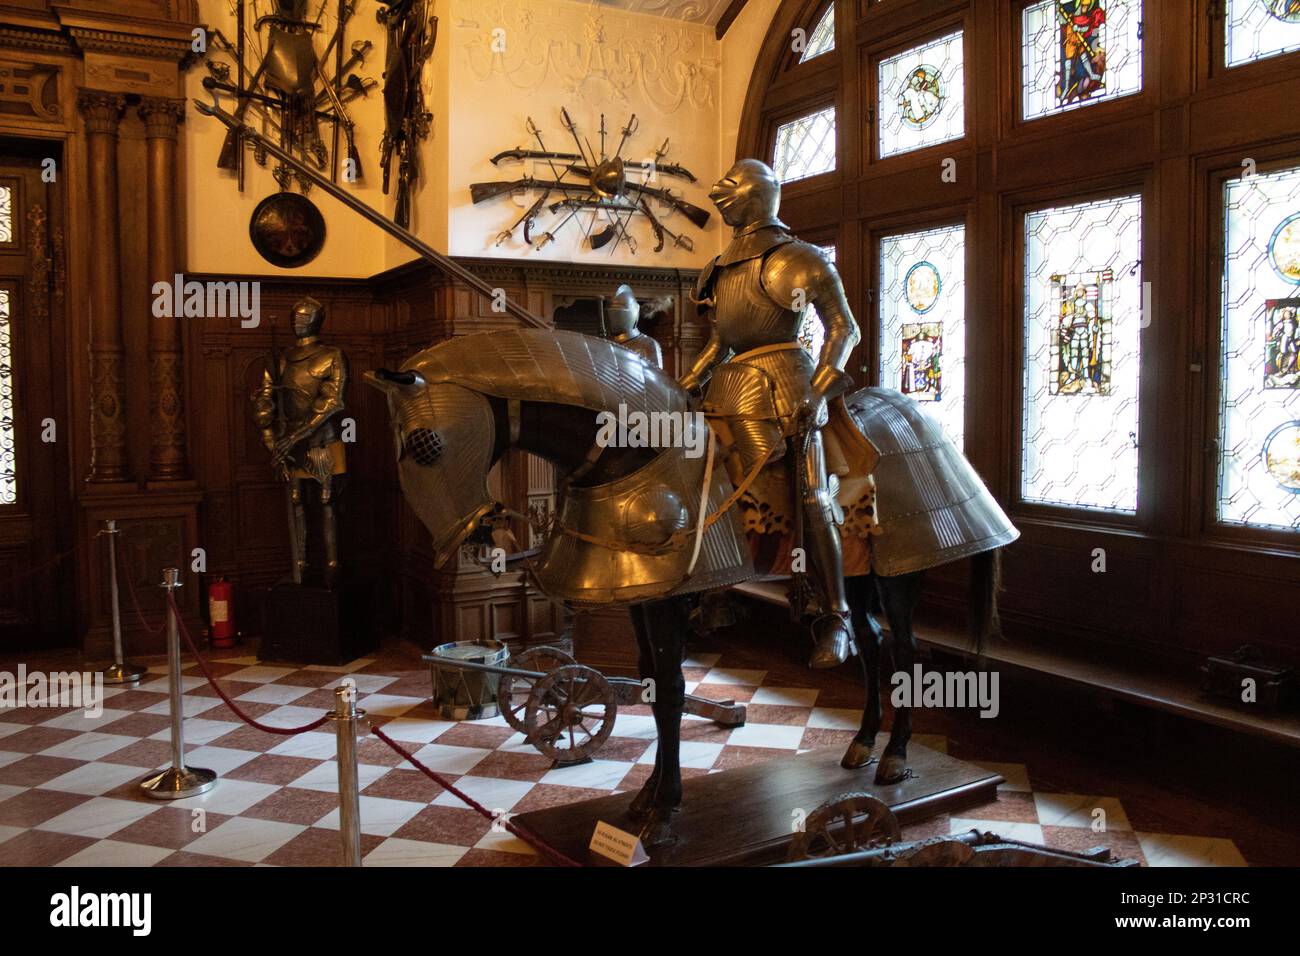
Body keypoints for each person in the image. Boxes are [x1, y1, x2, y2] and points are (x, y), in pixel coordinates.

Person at [680, 159, 861, 668]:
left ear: (755, 196)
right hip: (732, 384)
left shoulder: (797, 259)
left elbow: (843, 330)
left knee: (811, 493)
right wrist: (688, 380)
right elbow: (722, 340)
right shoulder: (722, 266)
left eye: (731, 190)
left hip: (788, 380)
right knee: (704, 477)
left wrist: (819, 391)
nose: (721, 196)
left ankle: (835, 615)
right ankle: (716, 592)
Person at [251, 296, 349, 586]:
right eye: (295, 316)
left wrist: (297, 434)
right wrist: (271, 439)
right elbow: (265, 401)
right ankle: (300, 567)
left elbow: (332, 401)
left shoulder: (332, 355)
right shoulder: (278, 358)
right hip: (289, 446)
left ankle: (332, 568)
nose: (298, 321)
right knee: (296, 502)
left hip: (321, 440)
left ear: (317, 320)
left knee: (326, 502)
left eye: (305, 317)